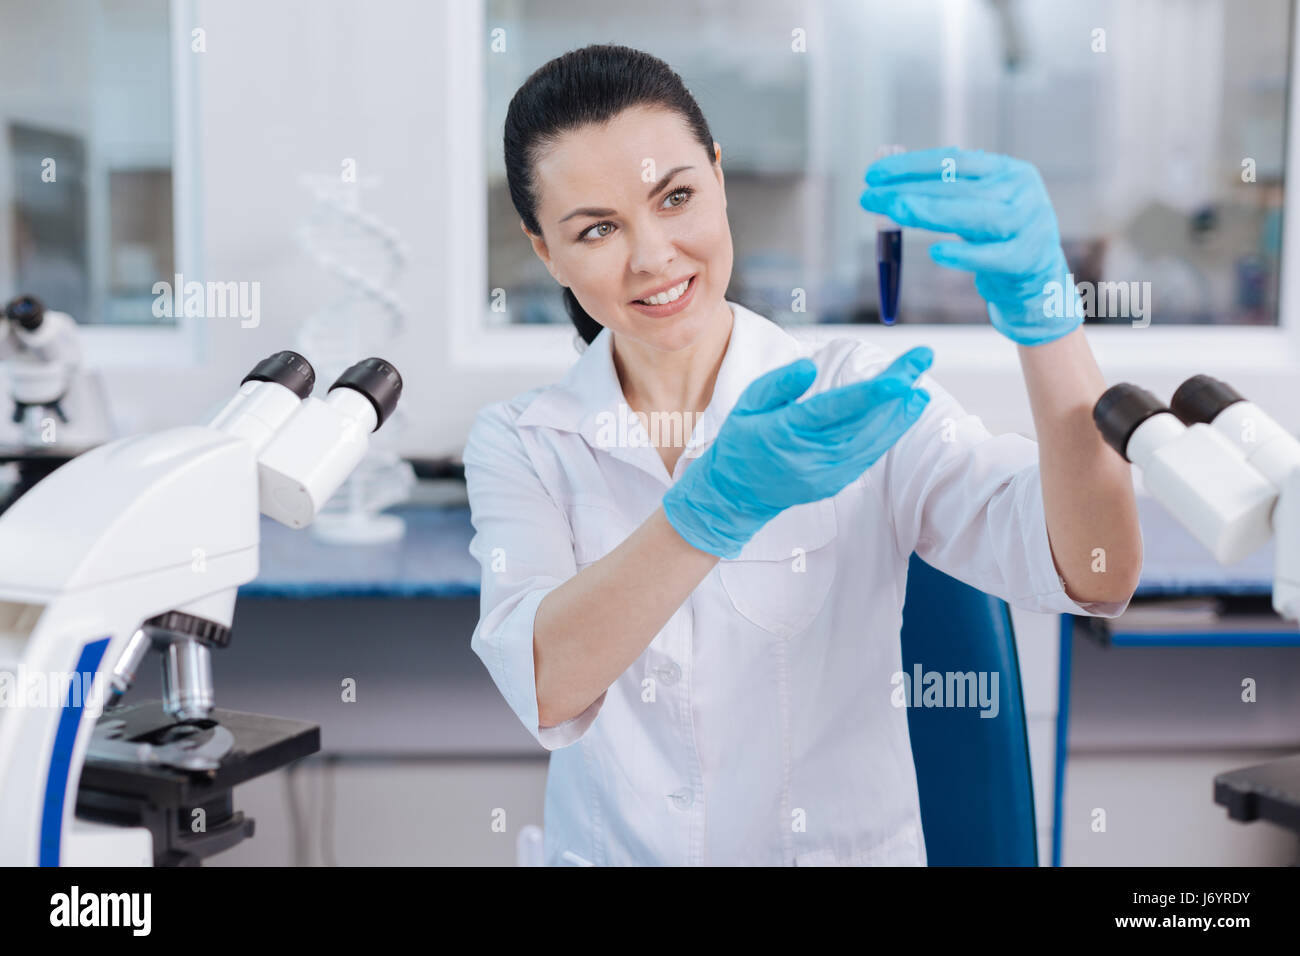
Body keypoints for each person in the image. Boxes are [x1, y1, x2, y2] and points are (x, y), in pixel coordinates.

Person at [464, 44, 1141, 866]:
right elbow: (546, 685)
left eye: (676, 197)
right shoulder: (523, 440)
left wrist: (1051, 320)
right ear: (545, 252)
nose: (651, 256)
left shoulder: (852, 394)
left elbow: (1097, 570)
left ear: (717, 177)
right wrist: (710, 509)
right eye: (598, 229)